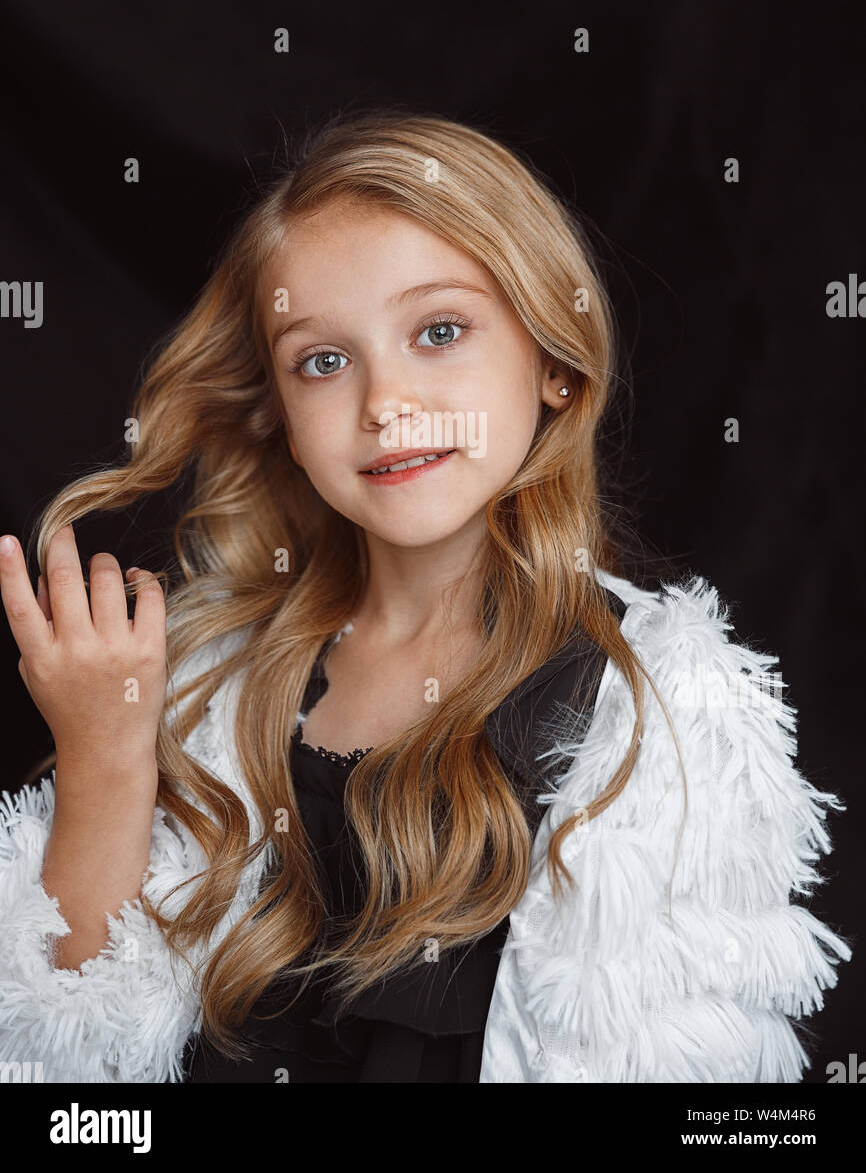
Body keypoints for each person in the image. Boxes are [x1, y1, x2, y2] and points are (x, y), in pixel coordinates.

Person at [0, 109, 852, 1083]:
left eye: (438, 330)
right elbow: (60, 1067)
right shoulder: (222, 682)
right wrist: (105, 752)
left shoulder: (654, 716)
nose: (383, 403)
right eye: (323, 360)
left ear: (554, 365)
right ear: (279, 413)